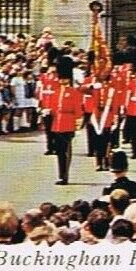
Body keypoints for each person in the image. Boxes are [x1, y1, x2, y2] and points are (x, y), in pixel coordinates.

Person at [49, 55, 83, 185]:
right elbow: (53, 107)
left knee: (66, 151)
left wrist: (77, 126)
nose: (62, 80)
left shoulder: (74, 92)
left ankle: (65, 176)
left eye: (65, 78)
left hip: (68, 123)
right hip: (57, 123)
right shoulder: (56, 91)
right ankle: (61, 174)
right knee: (59, 152)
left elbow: (78, 110)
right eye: (61, 78)